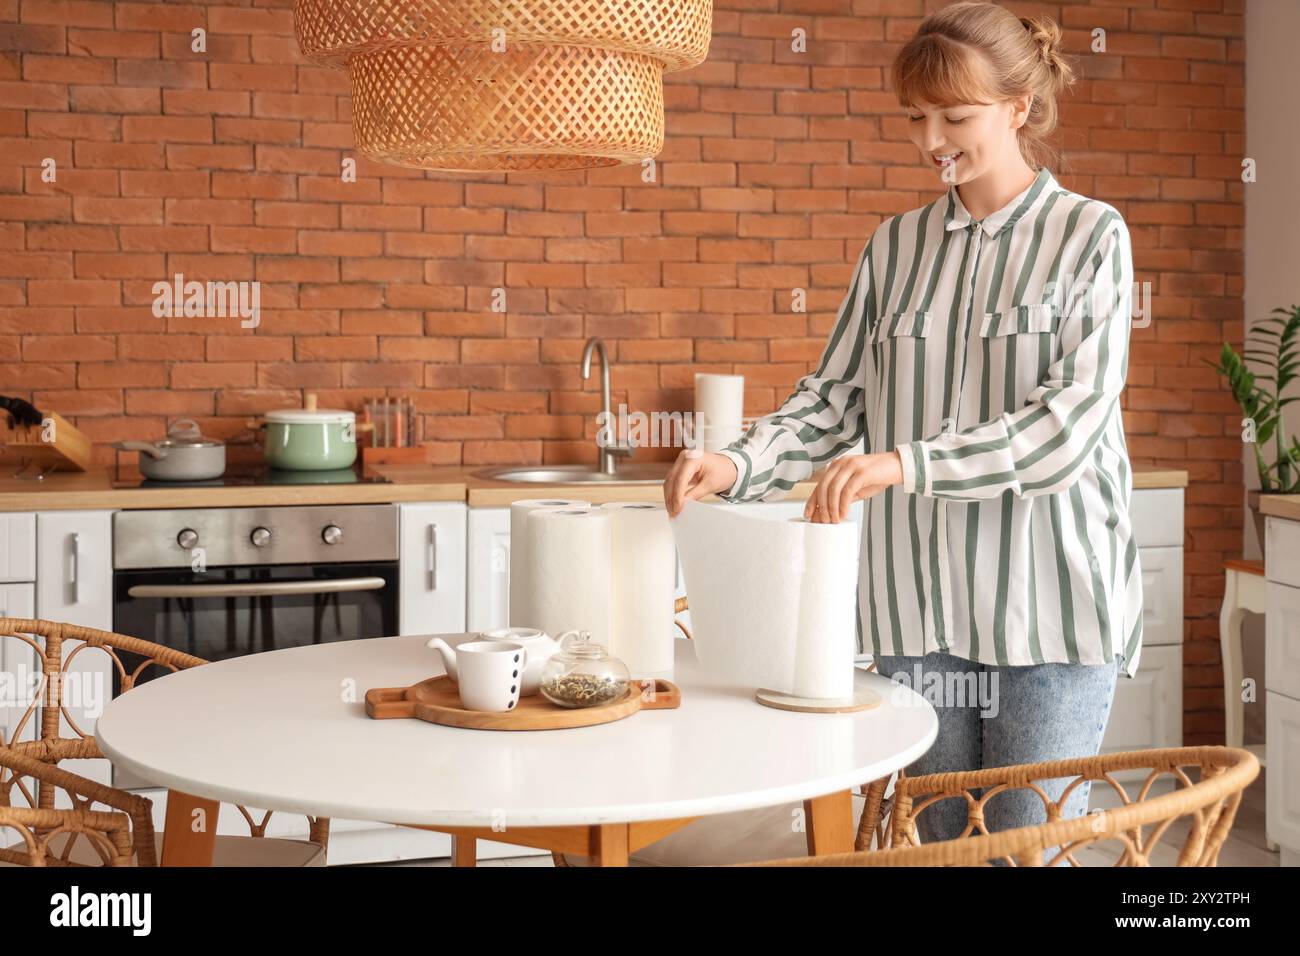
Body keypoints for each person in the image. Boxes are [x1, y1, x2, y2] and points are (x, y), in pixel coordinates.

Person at [663, 1, 1140, 857]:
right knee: (931, 846)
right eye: (917, 118)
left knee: (1021, 849)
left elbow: (1066, 427)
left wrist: (905, 463)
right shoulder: (894, 249)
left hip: (1052, 611)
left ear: (1018, 110)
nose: (933, 140)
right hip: (918, 612)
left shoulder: (1089, 238)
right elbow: (834, 399)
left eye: (956, 117)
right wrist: (736, 462)